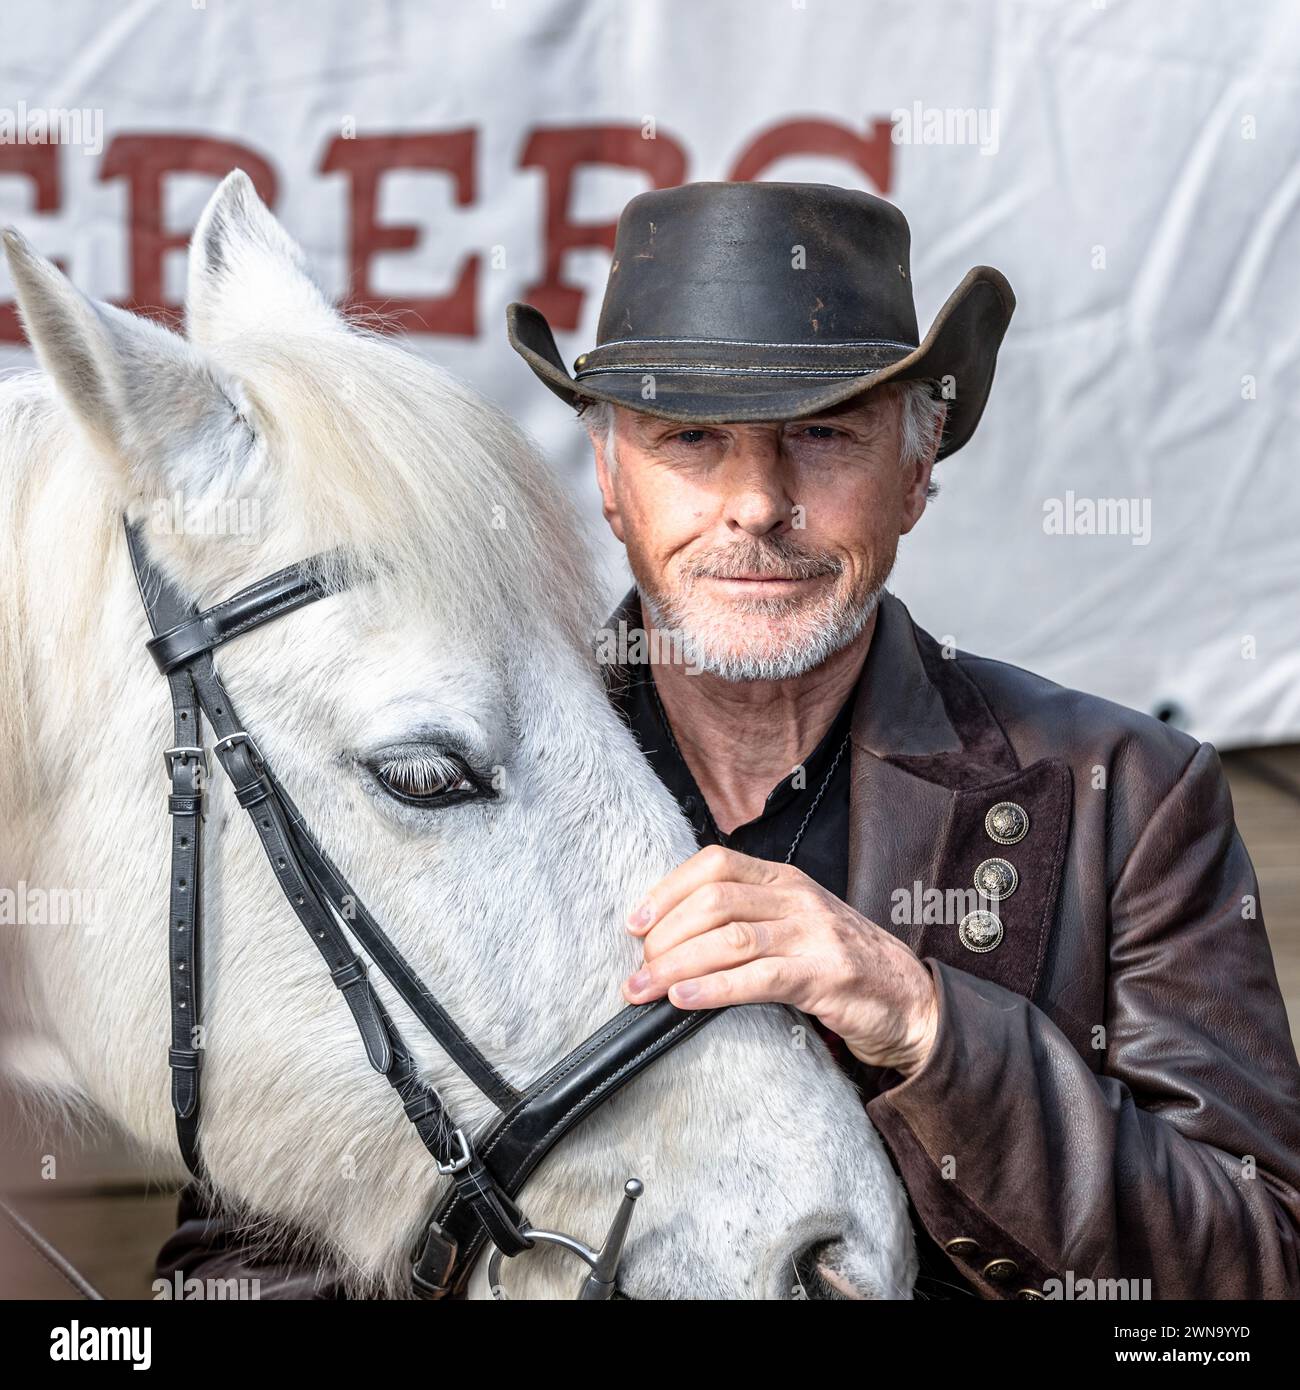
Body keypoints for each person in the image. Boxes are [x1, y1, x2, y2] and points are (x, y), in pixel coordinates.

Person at [159, 180, 1300, 1300]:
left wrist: (925, 1021)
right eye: (691, 436)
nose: (756, 503)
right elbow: (241, 1270)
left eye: (821, 433)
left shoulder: (1128, 797)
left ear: (915, 471)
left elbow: (1259, 1263)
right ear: (610, 479)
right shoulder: (424, 778)